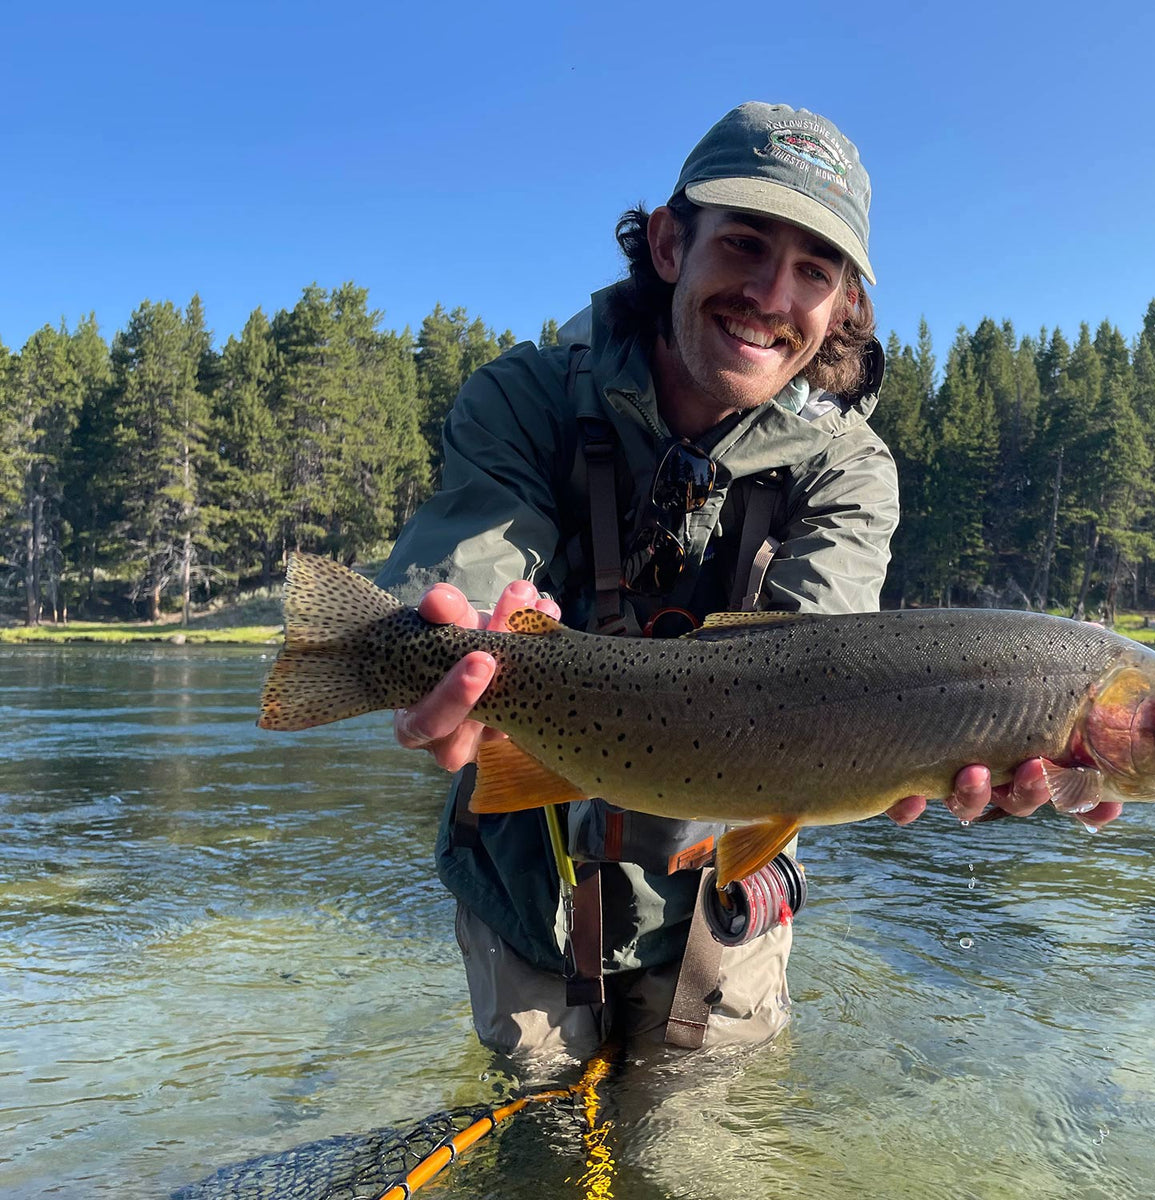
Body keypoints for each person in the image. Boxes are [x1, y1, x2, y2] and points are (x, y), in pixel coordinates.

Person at [376, 102, 1102, 1065]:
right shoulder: (526, 398)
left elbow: (825, 689)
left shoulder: (848, 469)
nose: (770, 293)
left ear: (842, 303)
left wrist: (951, 741)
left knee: (698, 1162)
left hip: (729, 902)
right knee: (536, 1149)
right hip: (525, 878)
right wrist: (456, 637)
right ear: (670, 242)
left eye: (813, 271)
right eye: (746, 244)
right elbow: (471, 560)